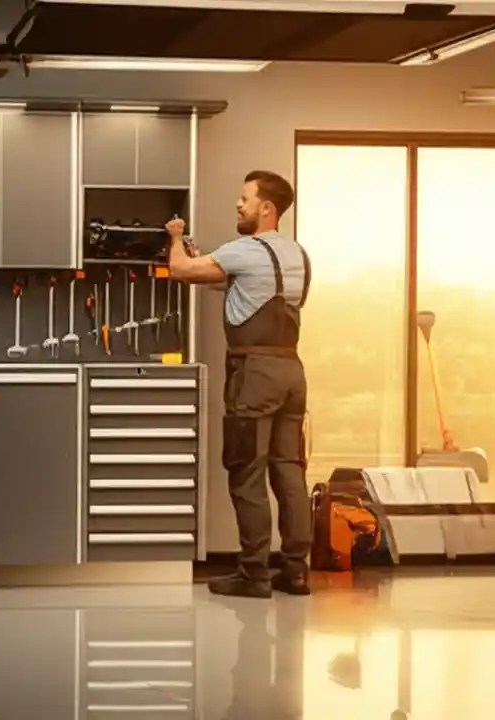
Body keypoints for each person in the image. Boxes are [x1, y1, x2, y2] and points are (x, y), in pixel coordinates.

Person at [165, 170, 312, 599]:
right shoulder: (298, 255)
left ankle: (253, 573)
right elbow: (248, 290)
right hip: (292, 372)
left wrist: (176, 237)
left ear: (266, 208)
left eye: (245, 198)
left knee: (247, 470)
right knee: (289, 471)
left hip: (254, 374)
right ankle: (296, 571)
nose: (238, 204)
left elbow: (181, 271)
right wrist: (205, 260)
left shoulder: (246, 249)